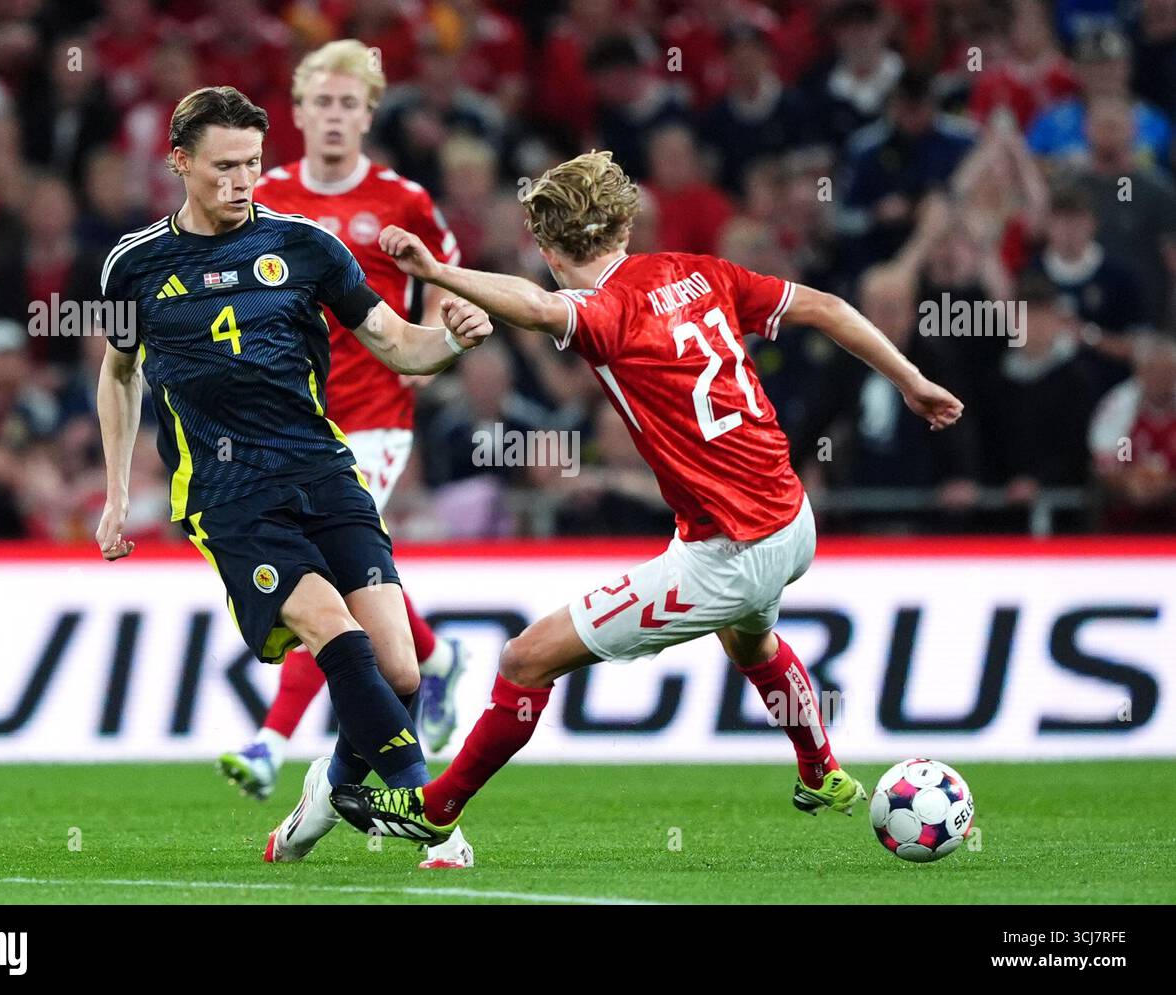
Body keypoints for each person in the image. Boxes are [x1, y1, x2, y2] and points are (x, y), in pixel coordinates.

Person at [327, 150, 964, 842]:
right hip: (791, 520)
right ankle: (821, 772)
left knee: (523, 659)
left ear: (546, 248)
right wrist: (911, 380)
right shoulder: (701, 272)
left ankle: (434, 808)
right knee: (750, 644)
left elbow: (539, 307)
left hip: (729, 549)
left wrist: (438, 270)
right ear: (625, 229)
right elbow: (830, 306)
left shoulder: (607, 310)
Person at [94, 85, 489, 867]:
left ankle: (326, 793)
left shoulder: (306, 247)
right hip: (229, 495)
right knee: (334, 633)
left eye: (253, 164)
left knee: (401, 665)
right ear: (179, 162)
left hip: (322, 468)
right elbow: (118, 373)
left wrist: (451, 340)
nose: (243, 181)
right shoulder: (133, 265)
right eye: (224, 166)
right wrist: (114, 495)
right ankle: (432, 813)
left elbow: (396, 342)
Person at [217, 41, 468, 811]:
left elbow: (439, 284)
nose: (333, 116)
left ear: (368, 114)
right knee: (355, 586)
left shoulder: (403, 201)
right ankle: (438, 656)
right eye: (320, 103)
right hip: (287, 421)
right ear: (297, 113)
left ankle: (271, 739)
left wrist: (424, 349)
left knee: (319, 571)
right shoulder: (268, 197)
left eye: (348, 104)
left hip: (373, 420)